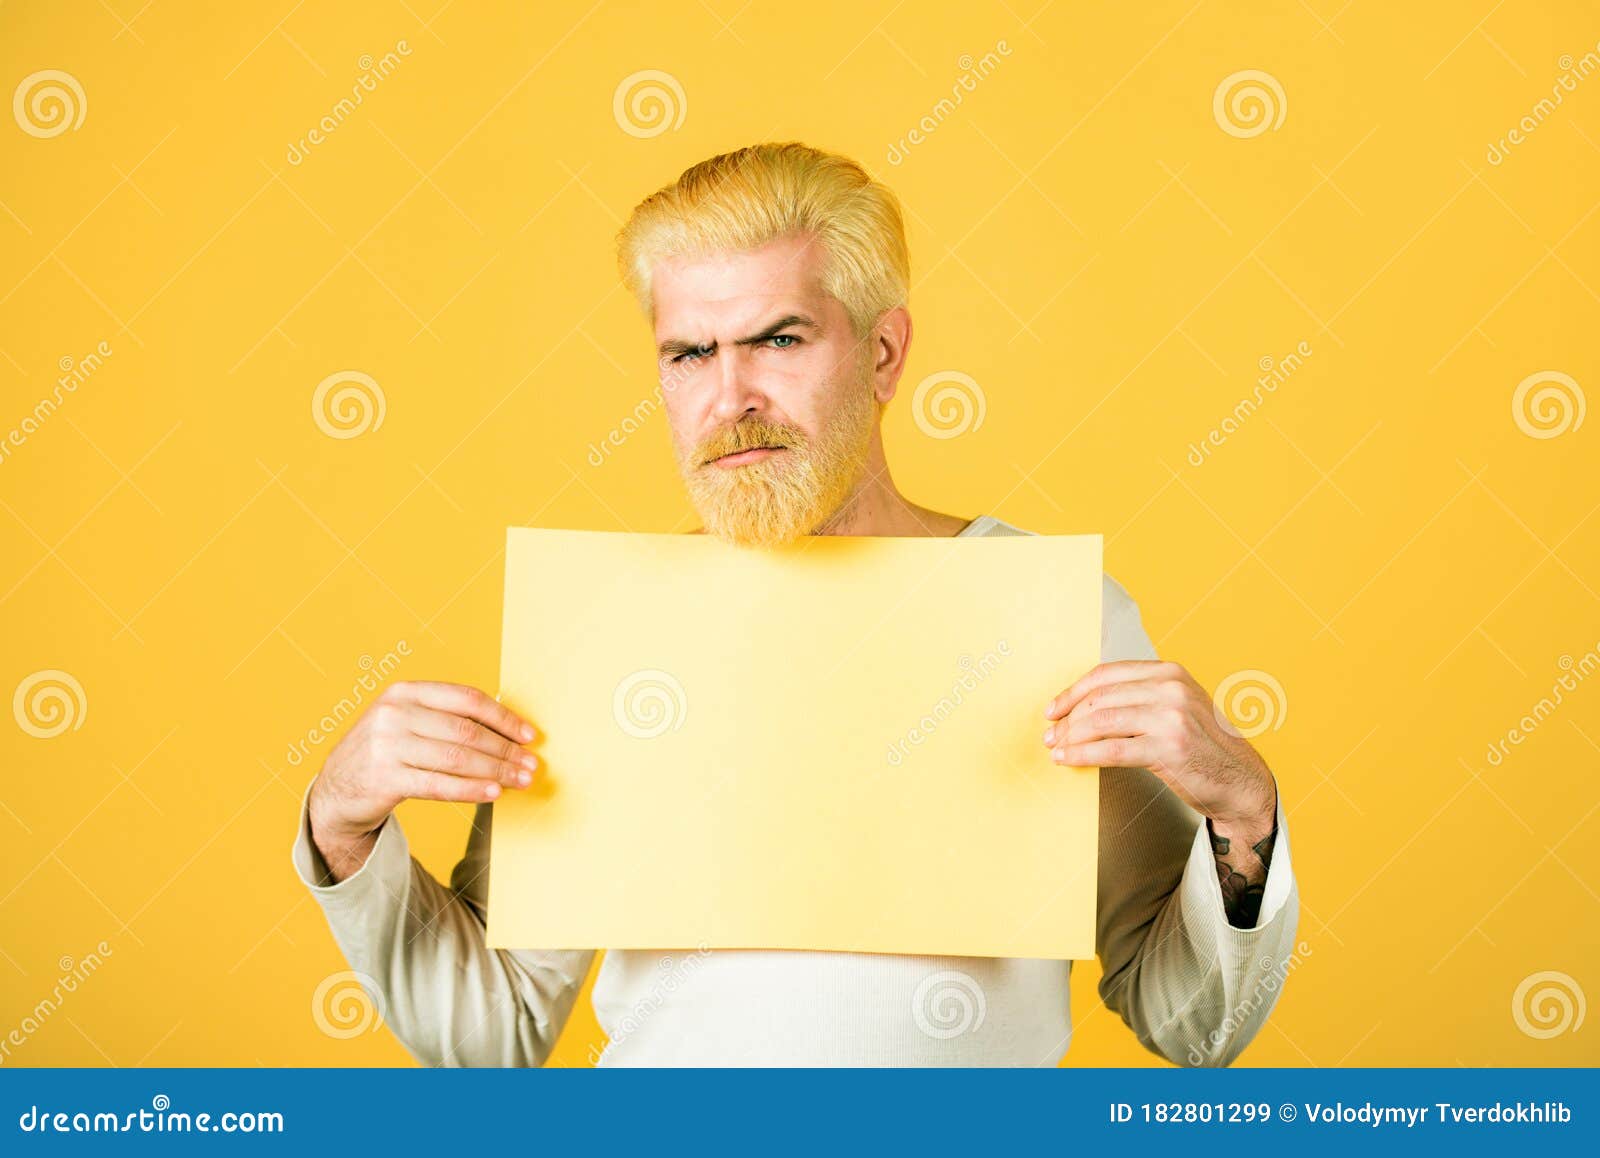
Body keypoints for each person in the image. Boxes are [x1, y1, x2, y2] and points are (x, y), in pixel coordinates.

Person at [291, 142, 1299, 1067]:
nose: (730, 397)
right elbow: (492, 1030)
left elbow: (1190, 1023)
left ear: (883, 354)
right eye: (689, 352)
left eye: (777, 339)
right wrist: (344, 828)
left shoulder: (1044, 614)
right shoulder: (608, 628)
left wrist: (1240, 810)